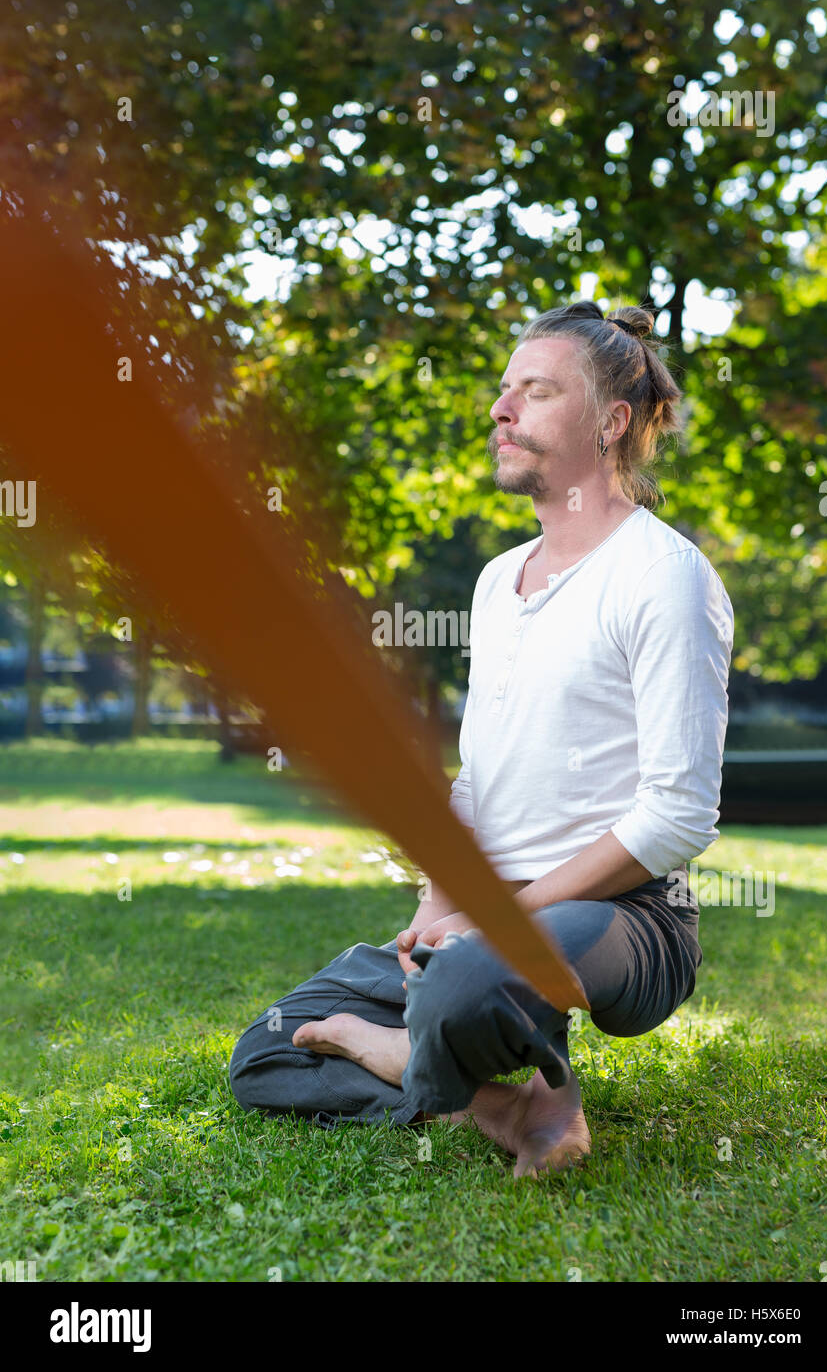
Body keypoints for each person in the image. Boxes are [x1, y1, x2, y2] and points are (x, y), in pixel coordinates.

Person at [229, 300, 734, 1178]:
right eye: (504, 391)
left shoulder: (665, 578)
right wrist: (436, 909)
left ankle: (418, 1045)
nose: (500, 410)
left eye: (535, 392)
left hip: (621, 914)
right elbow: (480, 777)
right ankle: (501, 1104)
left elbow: (676, 817)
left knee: (462, 986)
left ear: (610, 422)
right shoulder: (500, 581)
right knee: (265, 1055)